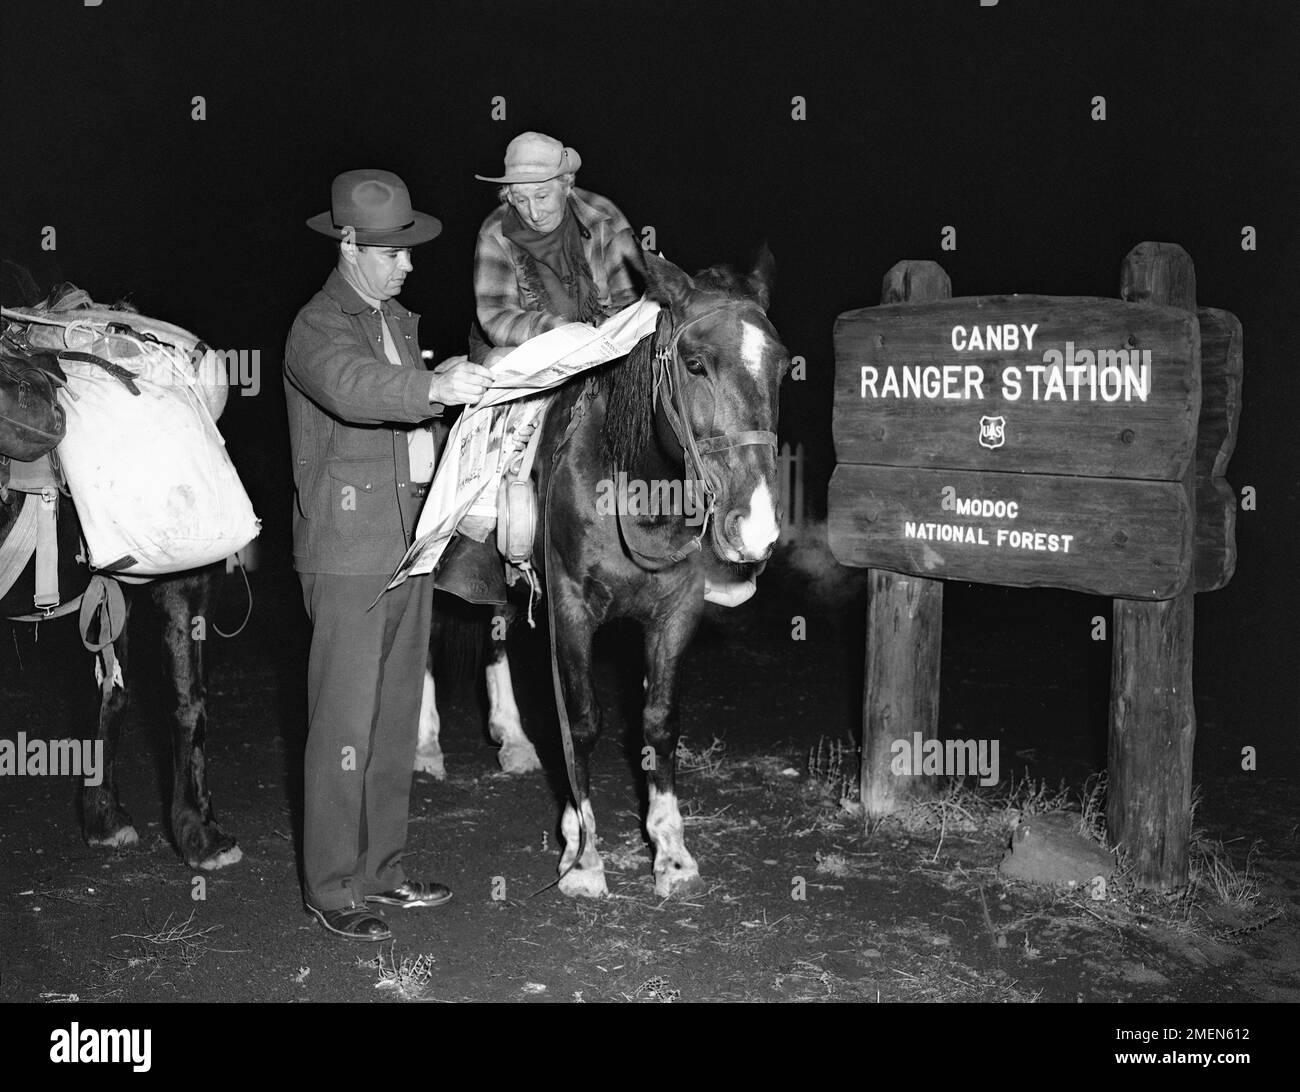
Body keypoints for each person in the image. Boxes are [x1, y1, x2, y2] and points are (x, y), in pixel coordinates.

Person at [285, 169, 493, 940]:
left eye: (409, 251)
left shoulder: (399, 321)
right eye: (391, 251)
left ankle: (382, 873)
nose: (408, 265)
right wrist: (433, 387)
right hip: (346, 554)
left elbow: (412, 422)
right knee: (342, 724)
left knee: (395, 720)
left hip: (409, 547)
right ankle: (332, 889)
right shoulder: (318, 325)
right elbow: (352, 388)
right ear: (347, 244)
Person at [433, 132, 644, 603]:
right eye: (520, 198)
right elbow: (495, 315)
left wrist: (606, 334)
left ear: (567, 183)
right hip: (525, 340)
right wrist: (562, 330)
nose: (531, 210)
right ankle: (480, 530)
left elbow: (634, 294)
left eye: (542, 195)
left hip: (607, 338)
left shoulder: (605, 218)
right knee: (494, 387)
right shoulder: (495, 232)